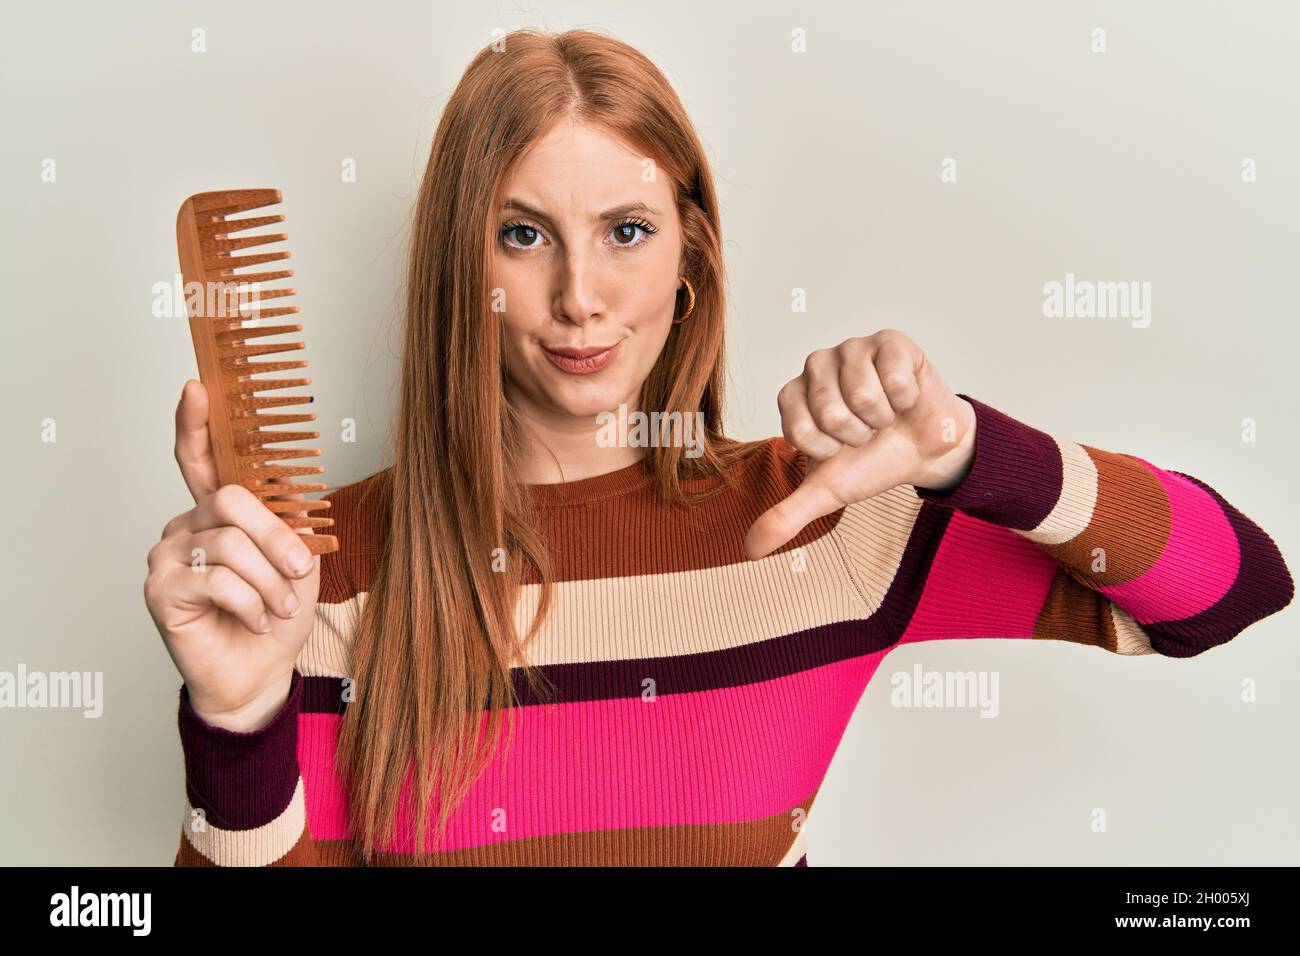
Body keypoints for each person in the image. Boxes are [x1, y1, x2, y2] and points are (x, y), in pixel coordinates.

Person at [144, 28, 1294, 867]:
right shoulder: (317, 571)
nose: (579, 296)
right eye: (522, 233)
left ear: (689, 255)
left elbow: (1230, 587)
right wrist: (238, 722)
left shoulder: (824, 527)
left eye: (626, 231)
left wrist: (972, 448)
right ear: (463, 267)